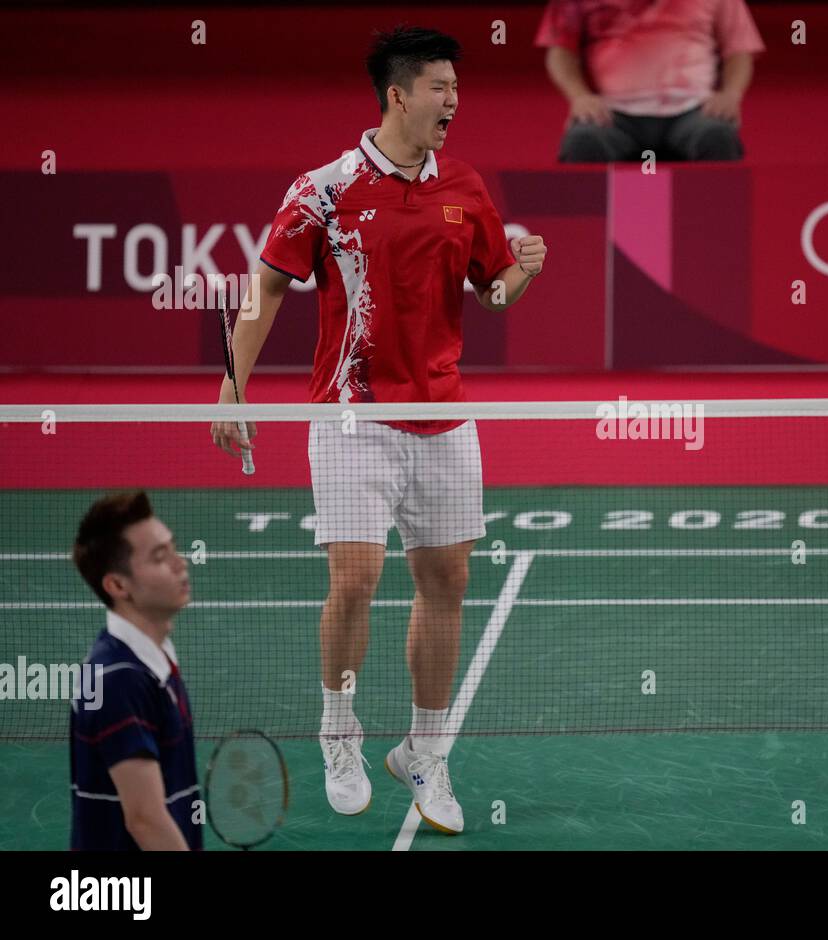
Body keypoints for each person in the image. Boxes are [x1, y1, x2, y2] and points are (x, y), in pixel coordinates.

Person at [210, 26, 547, 835]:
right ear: (398, 94)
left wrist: (523, 271)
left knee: (448, 585)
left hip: (442, 415)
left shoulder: (464, 183)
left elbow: (494, 291)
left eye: (457, 88)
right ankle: (340, 733)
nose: (454, 101)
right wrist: (232, 388)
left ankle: (424, 752)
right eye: (440, 87)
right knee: (355, 581)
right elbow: (266, 290)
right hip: (351, 415)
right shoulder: (323, 189)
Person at [70, 491, 200, 851]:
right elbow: (145, 820)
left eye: (173, 548)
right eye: (160, 557)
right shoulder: (117, 678)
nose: (180, 564)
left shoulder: (151, 658)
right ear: (117, 585)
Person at [536, 0, 764, 162]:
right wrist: (580, 96)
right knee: (583, 141)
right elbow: (560, 54)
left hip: (693, 109)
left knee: (717, 136)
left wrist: (731, 94)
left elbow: (738, 51)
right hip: (613, 114)